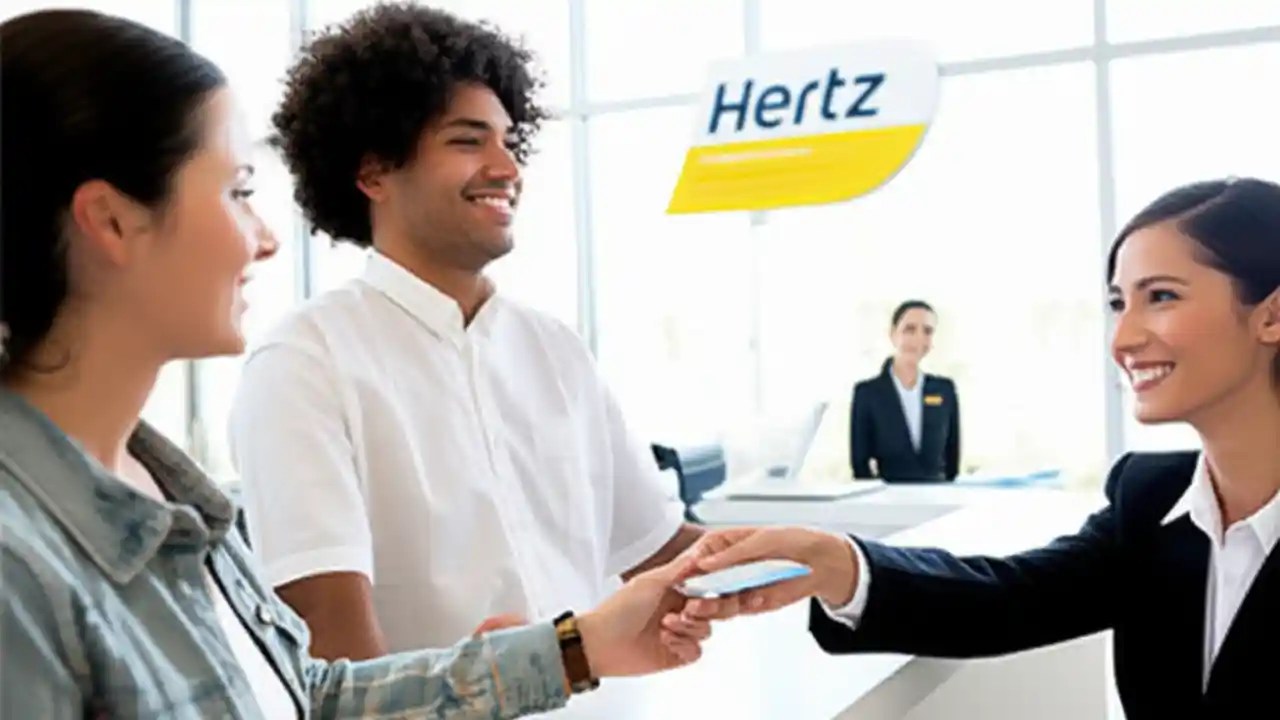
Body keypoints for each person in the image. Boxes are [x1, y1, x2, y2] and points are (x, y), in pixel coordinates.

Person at [0, 10, 712, 719]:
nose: (266, 239)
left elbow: (311, 695)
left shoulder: (179, 505)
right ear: (112, 221)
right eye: (238, 191)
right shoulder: (20, 562)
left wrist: (573, 650)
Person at [682, 178, 1280, 719]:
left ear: (1272, 316)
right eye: (1118, 303)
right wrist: (835, 562)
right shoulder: (1152, 501)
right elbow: (1008, 598)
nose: (1122, 339)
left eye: (1162, 297)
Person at [227, 2, 703, 662]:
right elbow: (338, 652)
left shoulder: (555, 350)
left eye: (508, 141)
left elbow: (667, 556)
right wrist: (549, 668)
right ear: (373, 173)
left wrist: (826, 563)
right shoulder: (304, 362)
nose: (507, 167)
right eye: (467, 141)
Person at [849, 300, 960, 481]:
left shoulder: (944, 390)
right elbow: (860, 464)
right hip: (888, 496)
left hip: (937, 494)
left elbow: (952, 461)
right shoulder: (867, 393)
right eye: (910, 329)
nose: (919, 338)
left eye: (927, 331)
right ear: (893, 334)